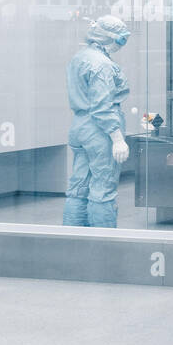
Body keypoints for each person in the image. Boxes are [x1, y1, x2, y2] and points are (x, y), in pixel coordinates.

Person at [64, 15, 131, 228]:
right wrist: (117, 138)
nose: (121, 44)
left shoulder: (80, 57)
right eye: (121, 39)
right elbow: (102, 107)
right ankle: (105, 244)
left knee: (78, 187)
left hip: (79, 127)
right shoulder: (102, 65)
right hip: (99, 131)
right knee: (103, 188)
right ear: (110, 38)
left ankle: (73, 241)